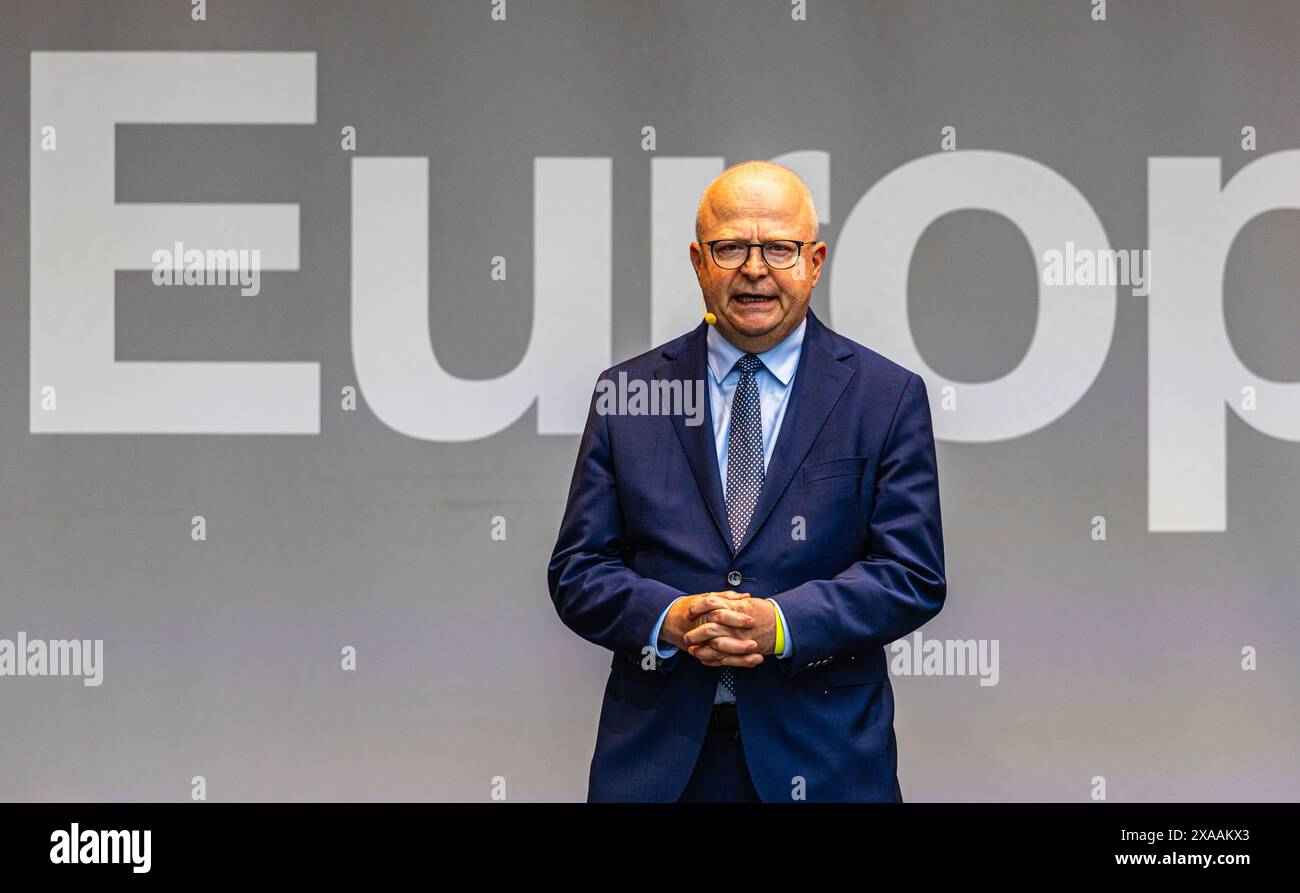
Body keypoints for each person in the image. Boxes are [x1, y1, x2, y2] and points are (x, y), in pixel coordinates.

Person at [548, 160, 946, 802]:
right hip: (659, 766)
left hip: (827, 761)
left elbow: (911, 574)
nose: (754, 269)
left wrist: (781, 622)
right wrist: (671, 618)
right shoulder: (628, 394)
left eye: (779, 248)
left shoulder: (886, 396)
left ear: (814, 261)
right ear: (699, 261)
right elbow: (578, 570)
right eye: (730, 247)